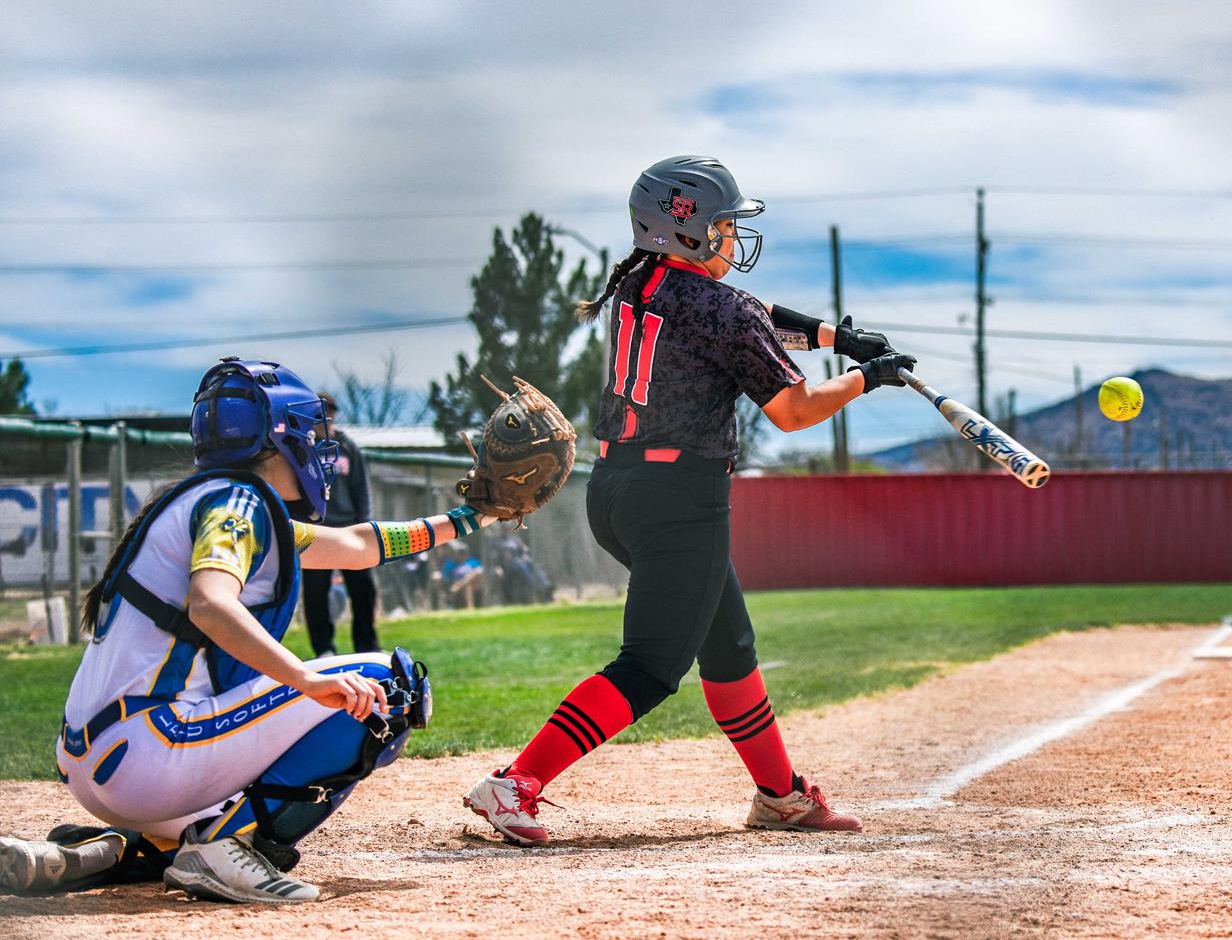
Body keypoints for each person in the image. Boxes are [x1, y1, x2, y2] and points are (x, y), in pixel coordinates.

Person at [463, 155, 915, 845]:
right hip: (680, 498)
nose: (733, 236)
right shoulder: (721, 309)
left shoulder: (640, 283)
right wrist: (864, 376)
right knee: (650, 666)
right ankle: (515, 782)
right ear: (689, 230)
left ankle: (780, 795)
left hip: (618, 490)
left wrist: (832, 336)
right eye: (724, 224)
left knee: (728, 647)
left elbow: (753, 318)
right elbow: (793, 408)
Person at [0, 358, 489, 904]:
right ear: (280, 437)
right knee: (389, 686)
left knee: (217, 793)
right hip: (148, 749)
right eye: (307, 429)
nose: (317, 443)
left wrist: (473, 517)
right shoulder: (239, 502)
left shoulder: (216, 498)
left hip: (98, 761)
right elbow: (211, 604)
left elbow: (357, 547)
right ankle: (222, 848)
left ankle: (104, 853)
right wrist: (304, 677)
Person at [301, 392, 380, 656]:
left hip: (349, 528)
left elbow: (361, 488)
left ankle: (366, 646)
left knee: (363, 591)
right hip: (316, 530)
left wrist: (364, 526)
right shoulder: (303, 447)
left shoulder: (347, 447)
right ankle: (324, 649)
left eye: (330, 410)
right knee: (316, 595)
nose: (325, 416)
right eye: (319, 411)